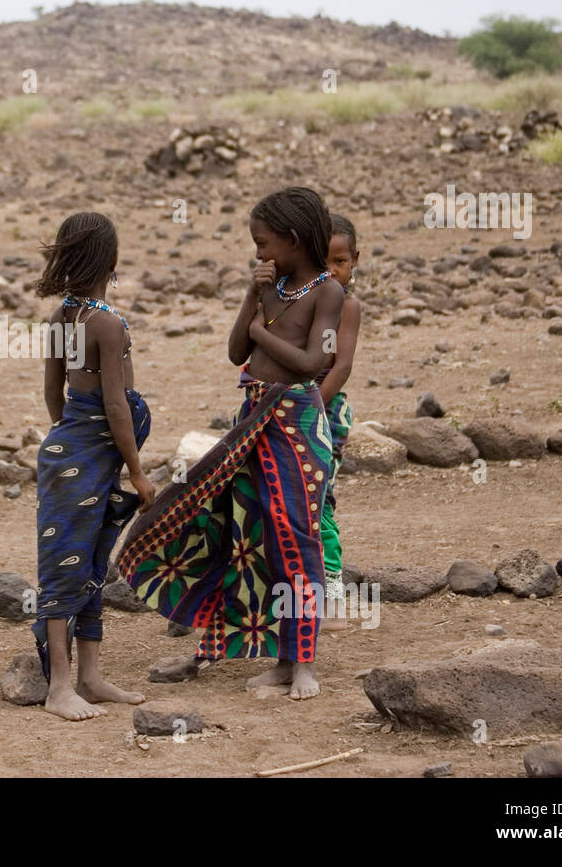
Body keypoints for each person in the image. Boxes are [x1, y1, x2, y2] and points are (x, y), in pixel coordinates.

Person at [116, 187, 342, 701]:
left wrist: (262, 332)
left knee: (296, 536)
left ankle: (303, 660)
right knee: (251, 532)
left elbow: (313, 364)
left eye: (263, 243)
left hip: (297, 422)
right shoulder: (272, 285)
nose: (258, 252)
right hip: (255, 415)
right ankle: (279, 660)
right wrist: (250, 296)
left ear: (291, 237)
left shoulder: (329, 293)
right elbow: (236, 349)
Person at [31, 212, 156, 721]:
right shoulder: (106, 323)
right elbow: (117, 405)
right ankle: (60, 686)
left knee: (88, 563)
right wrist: (136, 470)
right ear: (112, 261)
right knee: (66, 566)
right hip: (91, 460)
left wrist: (70, 442)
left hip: (73, 455)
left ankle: (90, 676)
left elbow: (52, 392)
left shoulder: (63, 319)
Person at [318, 214, 362, 629]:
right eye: (323, 261)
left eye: (340, 261)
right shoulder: (301, 301)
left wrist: (310, 407)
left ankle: (332, 598)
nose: (331, 271)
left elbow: (341, 367)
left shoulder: (347, 306)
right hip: (289, 410)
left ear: (355, 261)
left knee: (320, 505)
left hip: (324, 414)